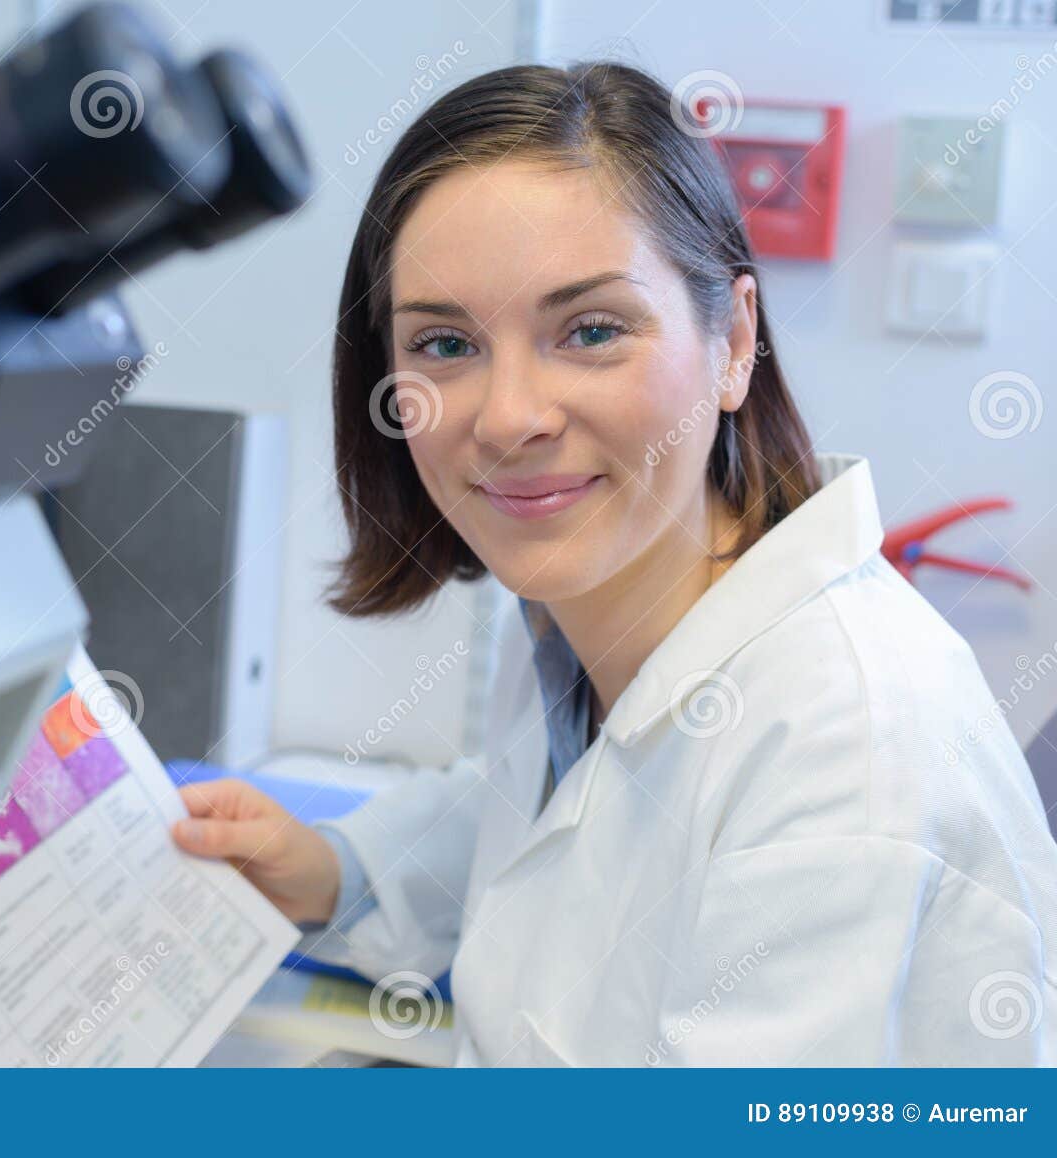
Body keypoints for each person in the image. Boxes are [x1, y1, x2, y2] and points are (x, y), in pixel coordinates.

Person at [170, 61, 1057, 1065]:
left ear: (733, 344)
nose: (508, 419)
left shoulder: (841, 749)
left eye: (590, 331)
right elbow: (543, 825)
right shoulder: (583, 614)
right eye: (445, 344)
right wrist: (336, 870)